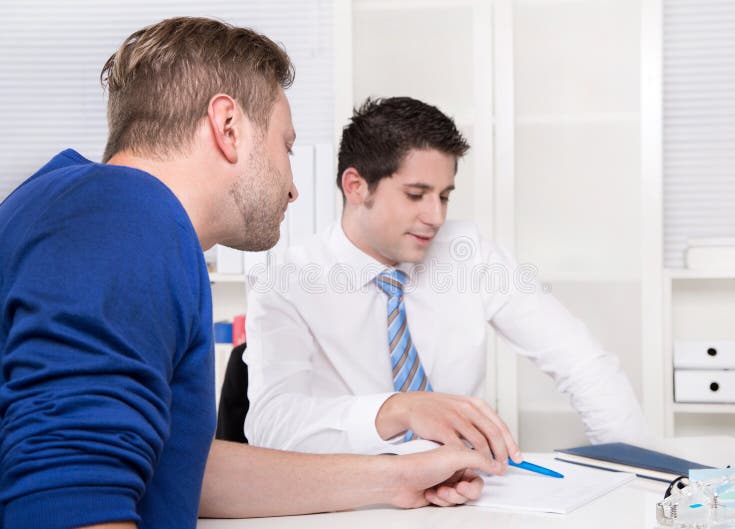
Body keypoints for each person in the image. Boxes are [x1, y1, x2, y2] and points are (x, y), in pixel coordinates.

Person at [0, 18, 505, 529]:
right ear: (227, 128)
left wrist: (397, 479)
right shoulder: (125, 217)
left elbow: (183, 470)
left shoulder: (88, 211)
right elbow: (66, 501)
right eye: (285, 147)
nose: (293, 187)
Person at [243, 97, 649, 463]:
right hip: (358, 500)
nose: (435, 217)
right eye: (416, 195)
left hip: (467, 492)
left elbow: (582, 363)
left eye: (444, 196)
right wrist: (397, 409)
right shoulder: (286, 282)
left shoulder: (467, 252)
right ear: (356, 186)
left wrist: (639, 476)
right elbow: (271, 425)